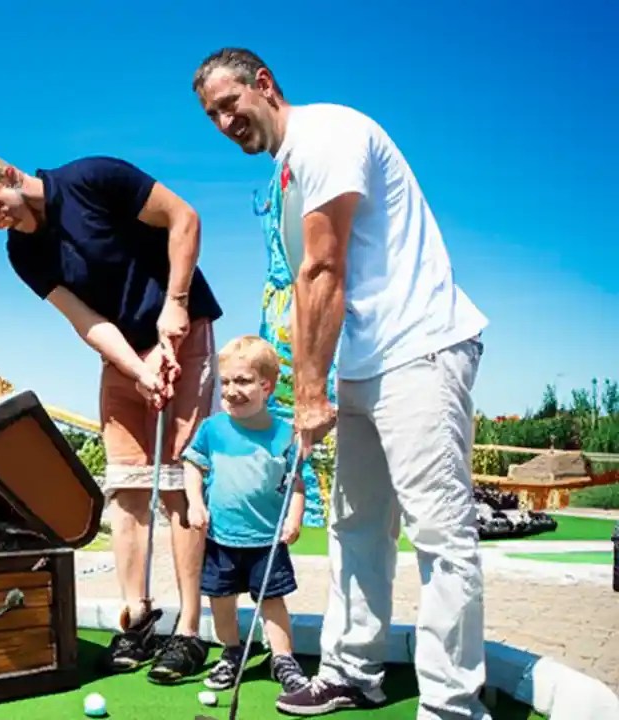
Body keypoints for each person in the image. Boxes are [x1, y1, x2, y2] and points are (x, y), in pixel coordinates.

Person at [192, 48, 490, 719]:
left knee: (440, 535)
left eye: (229, 103)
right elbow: (303, 287)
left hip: (419, 348)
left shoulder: (326, 135)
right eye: (211, 115)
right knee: (356, 528)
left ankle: (451, 705)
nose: (222, 121)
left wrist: (306, 393)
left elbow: (323, 270)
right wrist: (322, 383)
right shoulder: (286, 172)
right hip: (360, 363)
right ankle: (353, 671)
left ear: (263, 84)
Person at [0, 155, 223, 683]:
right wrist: (137, 369)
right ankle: (138, 618)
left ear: (8, 176)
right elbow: (88, 320)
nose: (1, 224)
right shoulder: (21, 253)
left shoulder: (93, 179)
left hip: (182, 330)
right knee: (124, 487)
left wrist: (175, 304)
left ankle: (190, 630)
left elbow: (184, 218)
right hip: (121, 354)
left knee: (177, 483)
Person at [184, 334, 309, 701]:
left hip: (266, 541)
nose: (231, 390)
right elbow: (193, 466)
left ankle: (283, 658)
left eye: (242, 381)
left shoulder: (285, 435)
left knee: (271, 601)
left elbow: (295, 483)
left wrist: (294, 519)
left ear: (266, 386)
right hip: (221, 537)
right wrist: (195, 502)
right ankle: (232, 651)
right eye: (225, 382)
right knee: (220, 599)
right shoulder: (212, 429)